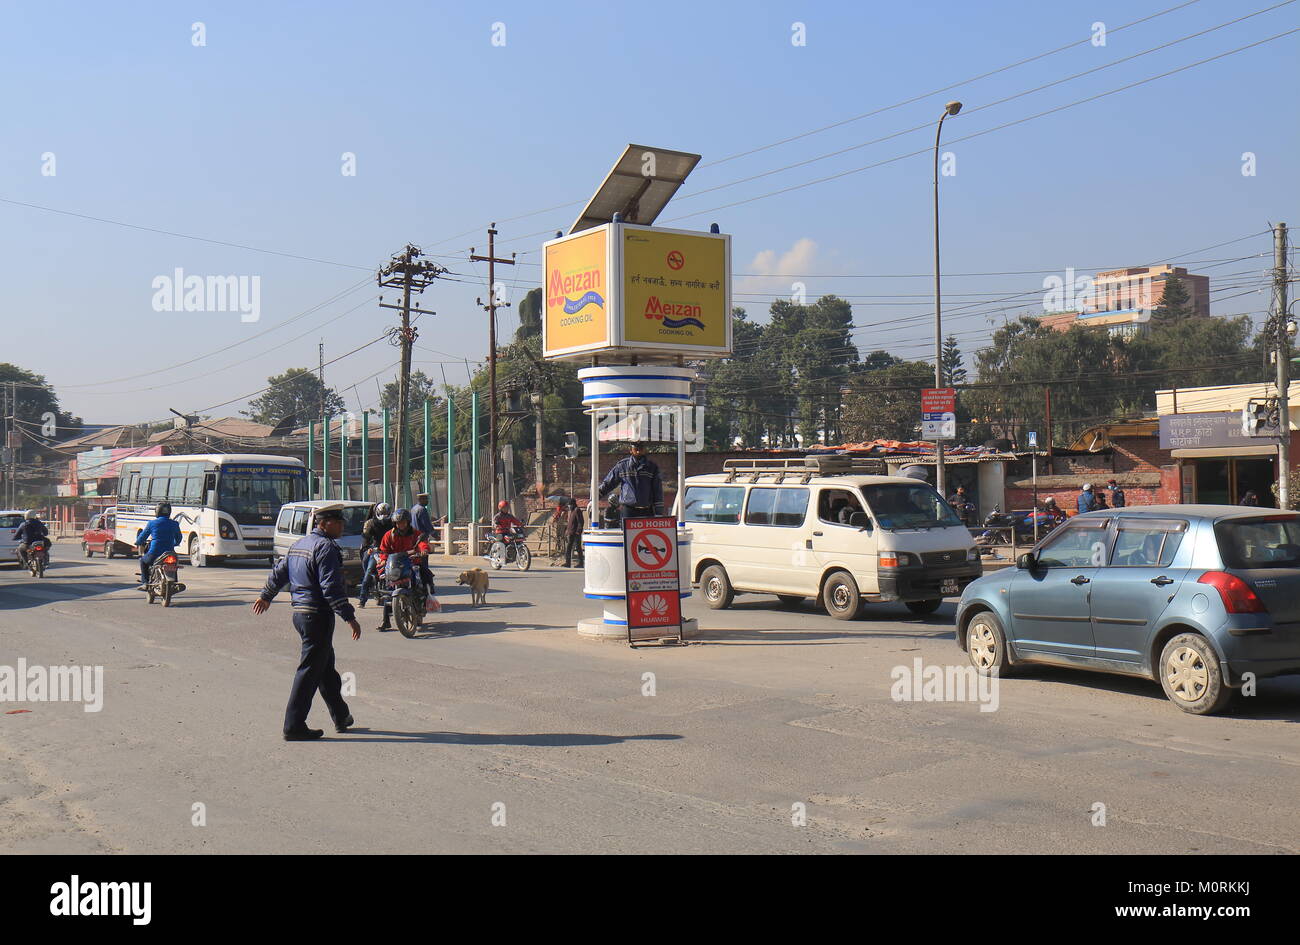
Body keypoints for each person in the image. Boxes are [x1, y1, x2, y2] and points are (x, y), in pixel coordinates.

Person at [252, 503, 361, 741]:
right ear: (324, 523)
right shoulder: (326, 548)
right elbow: (331, 587)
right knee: (310, 671)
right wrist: (349, 616)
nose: (342, 525)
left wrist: (266, 595)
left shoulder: (299, 545)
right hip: (317, 615)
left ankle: (341, 716)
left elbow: (279, 573)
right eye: (338, 521)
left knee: (325, 667)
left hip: (301, 615)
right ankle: (293, 726)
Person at [376, 509, 435, 630]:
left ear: (407, 522)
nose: (400, 525)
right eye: (398, 523)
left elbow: (422, 543)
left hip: (412, 563)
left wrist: (423, 550)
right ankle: (385, 620)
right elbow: (384, 549)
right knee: (388, 588)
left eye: (402, 522)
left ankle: (425, 600)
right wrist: (383, 559)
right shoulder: (389, 535)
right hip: (395, 565)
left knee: (426, 577)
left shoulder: (415, 533)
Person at [598, 441, 664, 521]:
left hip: (647, 510)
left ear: (644, 450)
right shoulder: (622, 466)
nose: (638, 451)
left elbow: (657, 490)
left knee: (647, 533)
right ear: (631, 450)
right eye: (636, 449)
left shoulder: (652, 467)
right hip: (629, 511)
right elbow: (608, 483)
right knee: (628, 533)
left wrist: (658, 512)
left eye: (641, 449)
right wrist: (594, 499)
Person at [135, 503, 182, 590]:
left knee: (143, 561)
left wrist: (138, 542)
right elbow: (179, 538)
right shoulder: (174, 524)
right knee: (173, 565)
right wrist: (174, 543)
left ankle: (145, 583)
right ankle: (175, 583)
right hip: (170, 553)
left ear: (157, 511)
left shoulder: (152, 523)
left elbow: (142, 537)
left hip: (154, 553)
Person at [357, 502, 393, 607]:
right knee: (368, 573)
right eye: (382, 512)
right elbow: (365, 539)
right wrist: (368, 548)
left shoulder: (393, 523)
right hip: (376, 551)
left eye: (386, 513)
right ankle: (362, 599)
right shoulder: (370, 523)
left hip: (390, 551)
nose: (384, 515)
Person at [564, 501, 585, 568]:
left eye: (569, 505)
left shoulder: (577, 510)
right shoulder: (572, 511)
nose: (569, 507)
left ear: (572, 505)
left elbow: (580, 522)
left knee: (578, 548)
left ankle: (581, 563)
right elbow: (571, 523)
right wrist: (567, 531)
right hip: (571, 533)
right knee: (568, 548)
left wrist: (578, 531)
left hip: (575, 533)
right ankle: (567, 563)